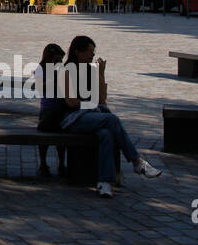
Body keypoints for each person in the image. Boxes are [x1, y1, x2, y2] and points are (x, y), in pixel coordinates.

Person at [51, 34, 162, 197]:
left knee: (106, 134)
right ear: (77, 52)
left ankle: (104, 182)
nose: (92, 55)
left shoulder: (90, 71)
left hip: (90, 116)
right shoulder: (66, 71)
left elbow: (102, 100)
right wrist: (91, 104)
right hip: (72, 119)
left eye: (93, 52)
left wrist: (101, 74)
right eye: (89, 52)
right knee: (111, 119)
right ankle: (137, 161)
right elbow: (71, 102)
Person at [34, 43, 68, 177]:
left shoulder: (61, 69)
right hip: (48, 108)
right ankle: (43, 163)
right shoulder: (41, 69)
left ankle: (61, 163)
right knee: (44, 137)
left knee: (62, 139)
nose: (59, 63)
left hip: (61, 107)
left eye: (61, 60)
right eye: (56, 60)